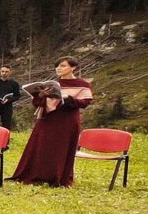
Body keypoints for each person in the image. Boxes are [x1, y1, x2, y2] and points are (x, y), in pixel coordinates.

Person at [11, 57, 93, 186]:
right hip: (47, 119)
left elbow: (84, 102)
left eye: (63, 66)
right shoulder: (52, 84)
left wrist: (68, 98)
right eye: (57, 66)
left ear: (73, 67)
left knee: (61, 149)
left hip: (67, 120)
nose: (59, 68)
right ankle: (37, 176)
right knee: (42, 148)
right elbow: (38, 103)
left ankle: (58, 177)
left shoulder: (82, 84)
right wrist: (41, 96)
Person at [0, 65, 23, 130]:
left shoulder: (14, 84)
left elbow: (17, 96)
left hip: (7, 107)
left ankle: (6, 140)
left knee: (6, 125)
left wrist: (9, 100)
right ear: (0, 71)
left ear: (10, 72)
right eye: (2, 71)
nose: (4, 73)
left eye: (6, 72)